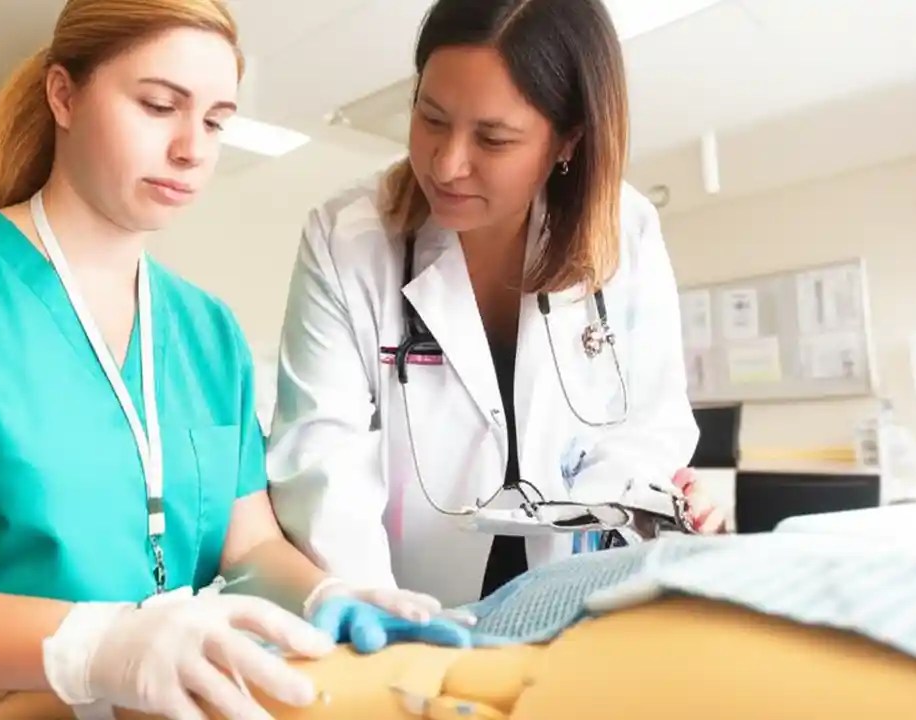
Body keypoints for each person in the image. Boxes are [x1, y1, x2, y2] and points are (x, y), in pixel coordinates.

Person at [0, 2, 468, 719]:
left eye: (215, 121)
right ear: (63, 94)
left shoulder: (206, 330)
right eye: (158, 106)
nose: (193, 149)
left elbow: (249, 543)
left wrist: (326, 594)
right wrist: (90, 644)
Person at [266, 0, 726, 611]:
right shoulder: (347, 237)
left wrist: (642, 500)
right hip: (405, 596)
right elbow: (319, 455)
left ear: (569, 139)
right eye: (430, 119)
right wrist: (367, 603)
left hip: (584, 592)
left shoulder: (625, 230)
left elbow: (650, 422)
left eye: (493, 138)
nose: (447, 164)